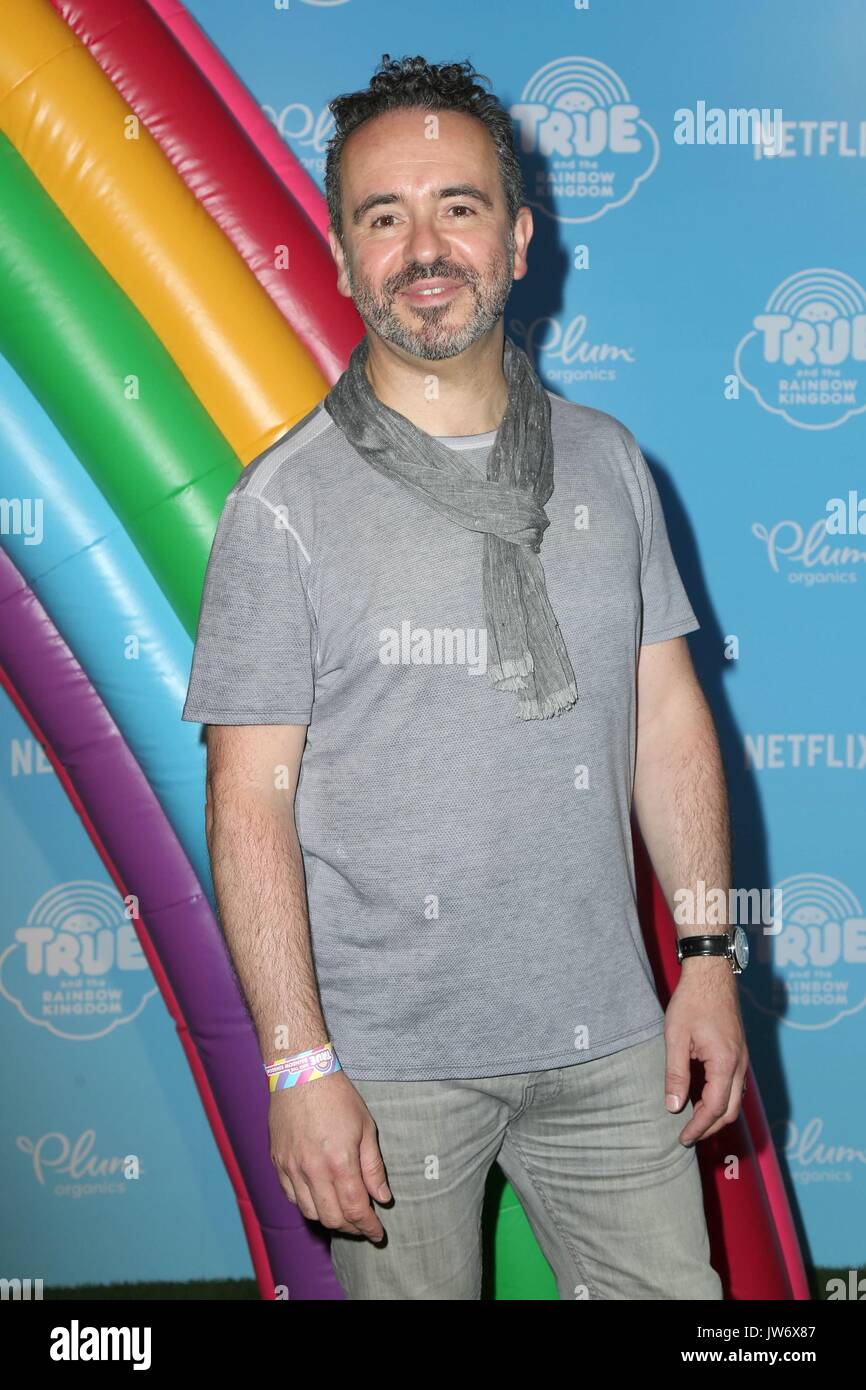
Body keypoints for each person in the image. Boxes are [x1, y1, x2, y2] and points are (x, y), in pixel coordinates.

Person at [182, 53, 747, 1301]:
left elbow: (663, 713)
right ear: (339, 255)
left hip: (609, 1036)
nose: (422, 246)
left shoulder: (608, 464)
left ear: (519, 236)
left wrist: (705, 956)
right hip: (383, 1069)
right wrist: (296, 1066)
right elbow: (249, 803)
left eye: (457, 206)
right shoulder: (282, 508)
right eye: (382, 216)